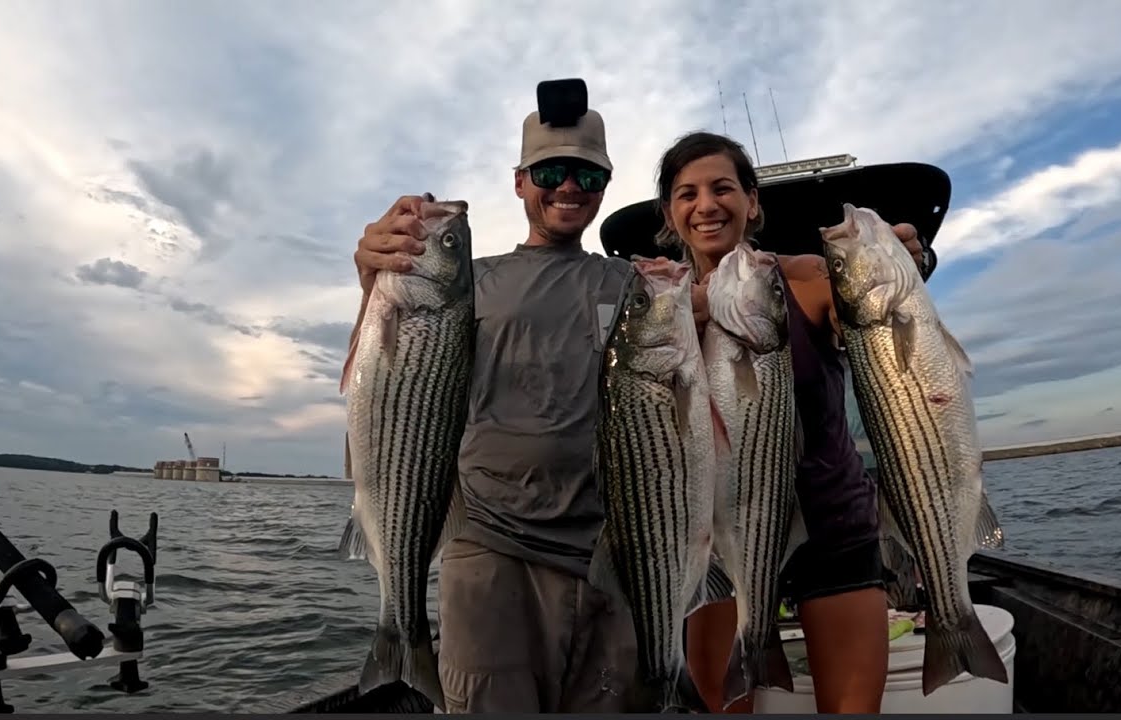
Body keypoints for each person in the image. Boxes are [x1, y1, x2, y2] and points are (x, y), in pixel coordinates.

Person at [347, 89, 638, 713]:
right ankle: (399, 632)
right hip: (489, 546)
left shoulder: (631, 283)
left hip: (612, 554)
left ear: (606, 185)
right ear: (519, 182)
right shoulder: (472, 280)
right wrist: (373, 277)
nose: (568, 186)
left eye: (588, 173)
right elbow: (386, 378)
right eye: (549, 171)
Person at [652, 130, 926, 715]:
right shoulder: (656, 314)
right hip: (721, 537)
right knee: (724, 706)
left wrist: (907, 258)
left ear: (752, 202)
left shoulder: (800, 277)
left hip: (832, 526)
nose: (706, 205)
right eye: (687, 193)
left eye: (723, 188)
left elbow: (867, 294)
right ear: (671, 213)